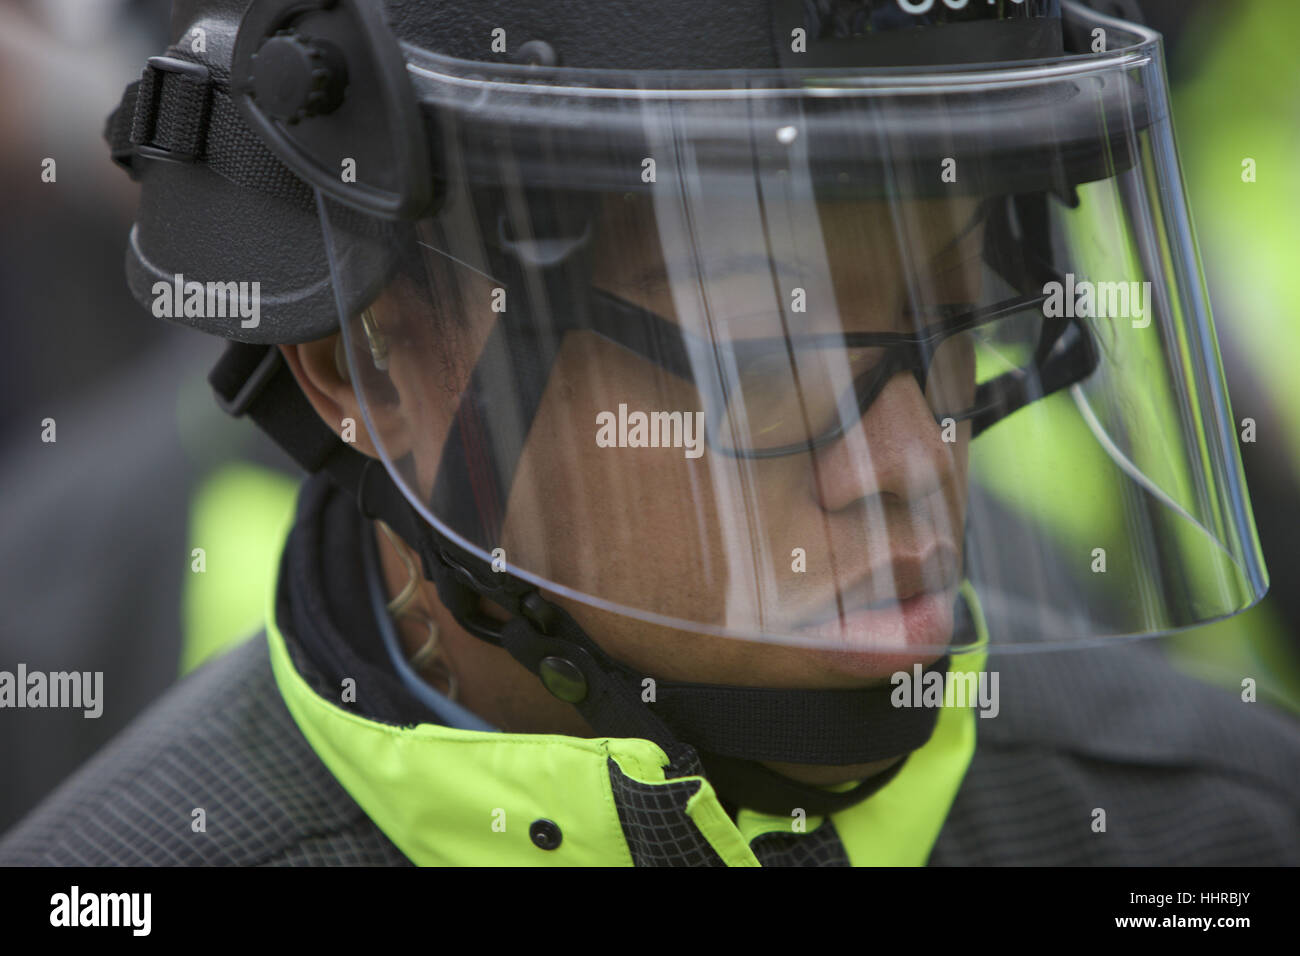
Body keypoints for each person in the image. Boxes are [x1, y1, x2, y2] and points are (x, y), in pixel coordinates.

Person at [2, 0, 1297, 867]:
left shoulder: (1229, 826)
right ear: (363, 366)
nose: (911, 466)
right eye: (763, 359)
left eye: (958, 318)